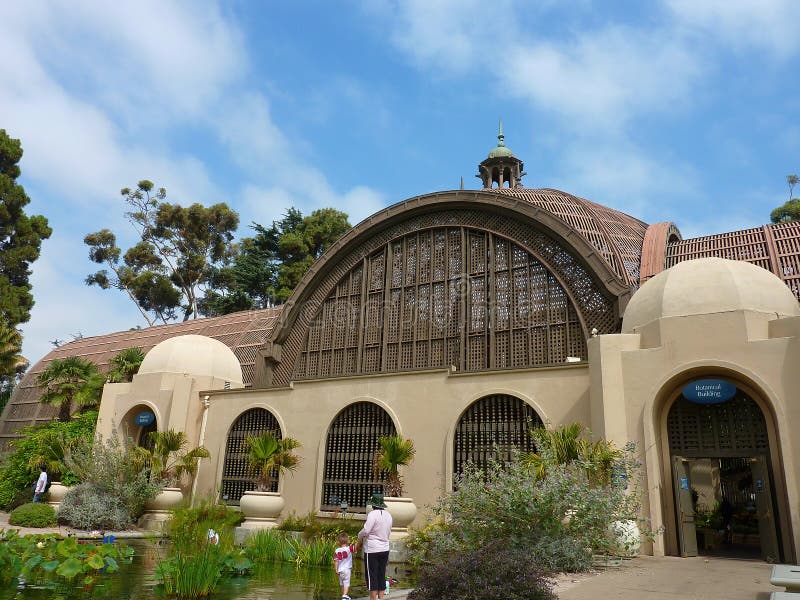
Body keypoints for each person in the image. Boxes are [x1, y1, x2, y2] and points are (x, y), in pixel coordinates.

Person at [358, 492, 392, 600]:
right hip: (385, 548)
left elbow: (366, 530)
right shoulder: (388, 515)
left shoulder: (372, 514)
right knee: (381, 574)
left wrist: (359, 535)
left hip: (372, 549)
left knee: (371, 576)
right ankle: (380, 598)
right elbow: (388, 531)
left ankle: (373, 599)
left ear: (373, 505)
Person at [333, 531, 355, 600]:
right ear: (348, 541)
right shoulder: (349, 548)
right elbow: (356, 546)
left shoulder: (337, 550)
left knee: (342, 584)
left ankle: (344, 595)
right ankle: (345, 595)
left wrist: (336, 569)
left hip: (340, 570)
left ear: (339, 542)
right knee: (347, 583)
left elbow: (336, 561)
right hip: (347, 570)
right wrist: (360, 539)